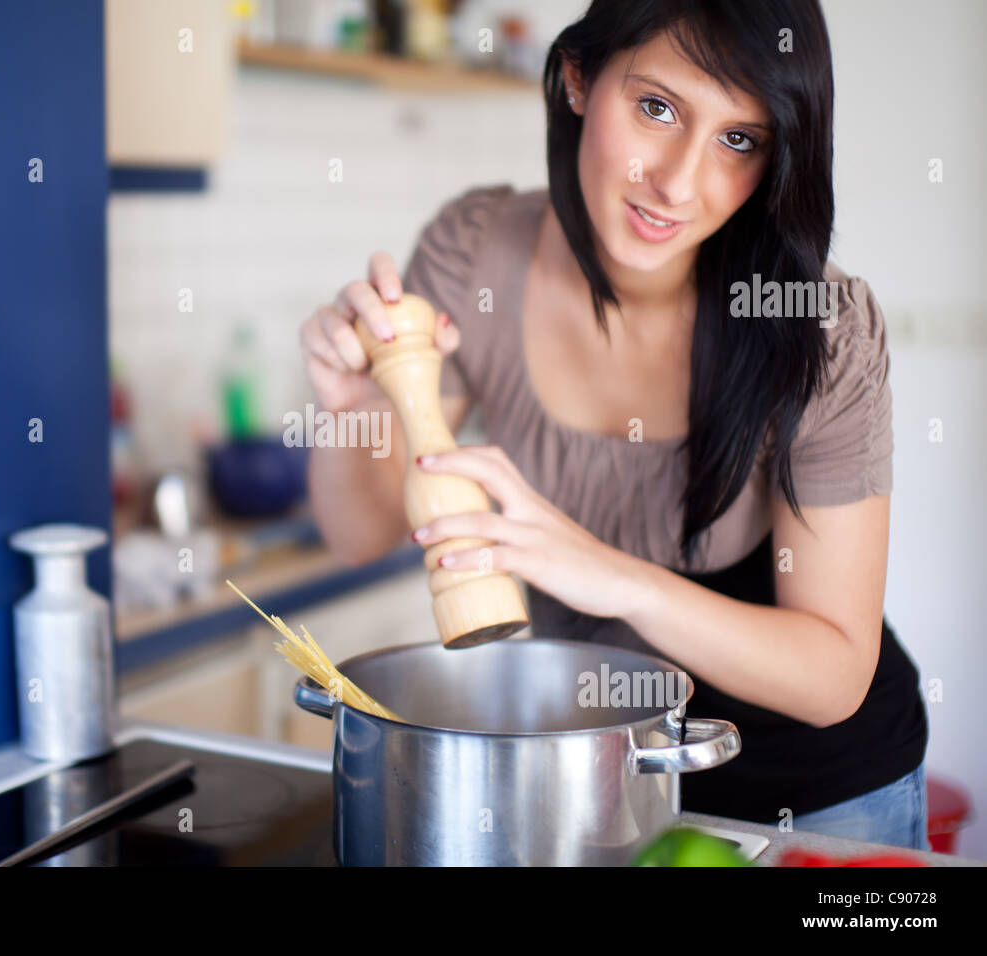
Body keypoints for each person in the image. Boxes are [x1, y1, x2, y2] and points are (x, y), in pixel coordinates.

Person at [299, 0, 929, 850]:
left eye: (738, 140)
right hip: (591, 794)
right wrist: (353, 411)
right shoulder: (477, 254)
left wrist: (608, 574)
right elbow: (358, 531)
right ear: (578, 78)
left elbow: (834, 674)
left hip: (825, 799)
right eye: (658, 108)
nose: (679, 182)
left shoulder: (818, 326)